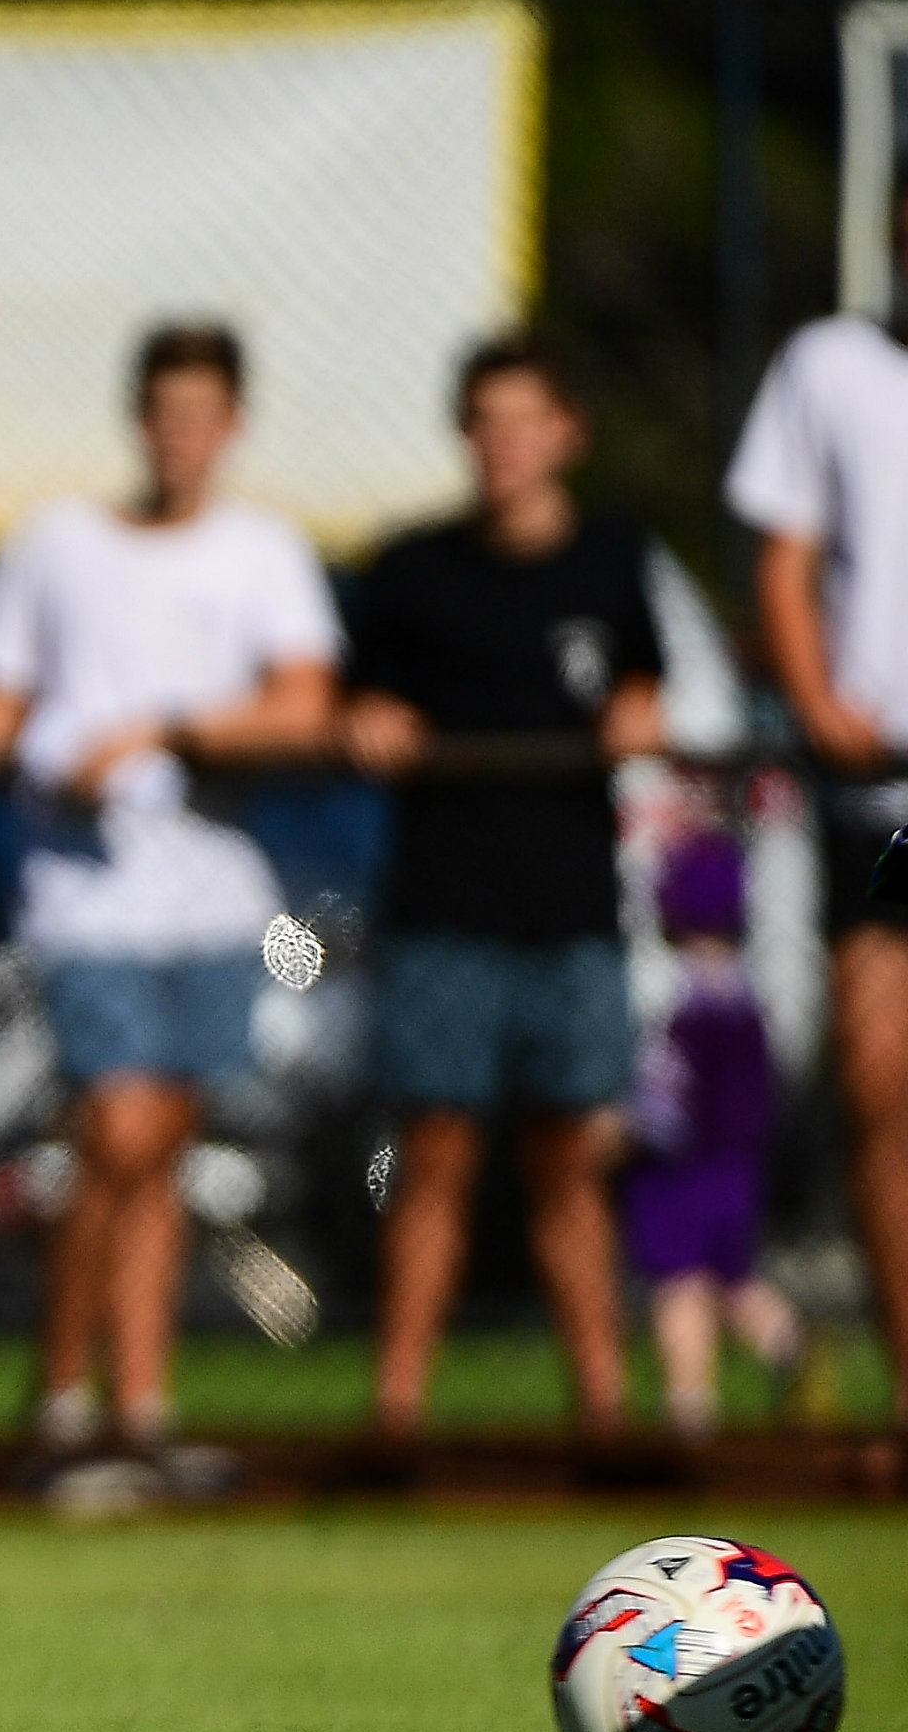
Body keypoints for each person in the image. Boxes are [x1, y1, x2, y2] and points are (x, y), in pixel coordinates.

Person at [0, 321, 340, 1464]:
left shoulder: (264, 551)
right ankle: (62, 1395)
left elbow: (302, 706)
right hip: (86, 902)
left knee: (158, 1150)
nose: (181, 437)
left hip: (210, 899)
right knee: (113, 1131)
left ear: (232, 426)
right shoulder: (57, 543)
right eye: (164, 414)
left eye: (201, 416)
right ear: (139, 421)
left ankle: (138, 1407)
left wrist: (157, 733)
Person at [339, 336, 667, 1437]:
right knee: (433, 1157)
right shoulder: (412, 571)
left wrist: (639, 710)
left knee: (568, 1158)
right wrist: (366, 719)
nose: (505, 445)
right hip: (445, 905)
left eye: (526, 421)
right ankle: (397, 1413)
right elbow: (355, 698)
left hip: (569, 906)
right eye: (486, 421)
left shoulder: (611, 561)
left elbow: (642, 685)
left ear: (567, 434)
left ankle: (603, 1411)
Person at [729, 193, 908, 1438]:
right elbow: (783, 561)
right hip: (883, 808)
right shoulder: (828, 366)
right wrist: (816, 700)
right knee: (879, 1085)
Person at [622, 831, 803, 1435]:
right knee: (733, 1278)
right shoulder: (747, 994)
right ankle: (784, 1336)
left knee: (680, 1281)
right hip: (739, 1167)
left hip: (680, 1169)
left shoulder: (676, 993)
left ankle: (689, 1404)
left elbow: (665, 1094)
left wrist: (625, 1130)